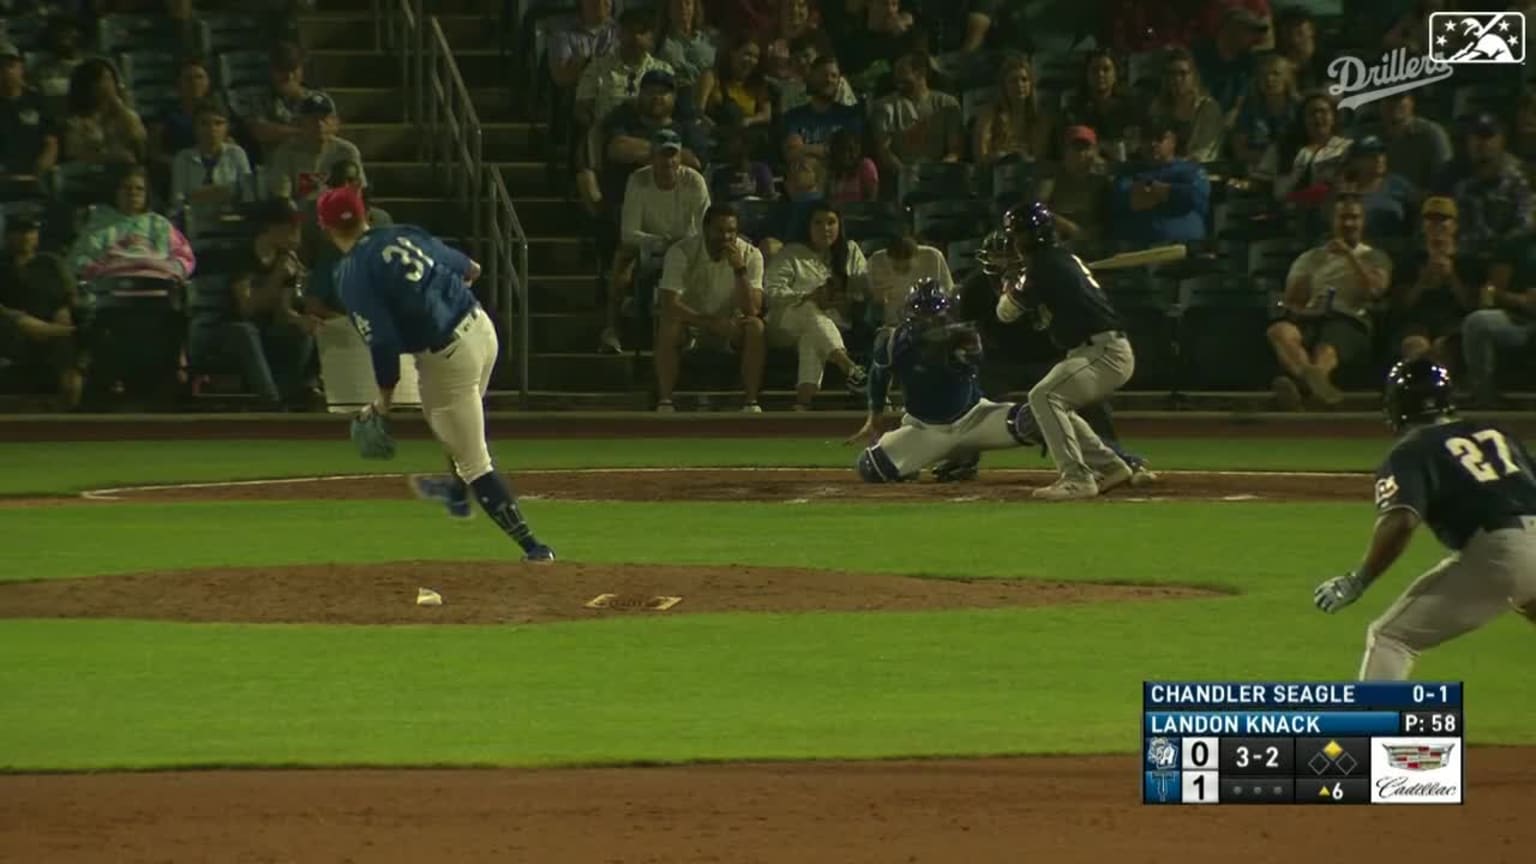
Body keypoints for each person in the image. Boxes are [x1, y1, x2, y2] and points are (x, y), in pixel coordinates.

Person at [318, 184, 555, 562]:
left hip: (447, 358)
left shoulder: (351, 273)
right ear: (366, 214)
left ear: (326, 229)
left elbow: (383, 342)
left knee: (474, 458)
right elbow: (470, 270)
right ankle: (456, 493)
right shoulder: (402, 233)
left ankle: (535, 549)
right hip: (482, 330)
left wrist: (383, 402)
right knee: (454, 425)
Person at [1313, 359, 1536, 680]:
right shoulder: (1497, 432)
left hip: (1502, 550)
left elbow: (1401, 520)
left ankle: (1375, 729)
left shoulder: (1412, 449)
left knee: (1391, 638)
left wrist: (1358, 580)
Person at [994, 202, 1135, 500]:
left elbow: (1006, 313)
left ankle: (1077, 478)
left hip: (1103, 351)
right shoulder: (1059, 260)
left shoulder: (1044, 265)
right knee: (1051, 402)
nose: (1013, 242)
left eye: (1016, 235)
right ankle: (1110, 466)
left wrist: (1010, 286)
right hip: (1097, 349)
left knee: (1044, 396)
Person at [850, 277, 1044, 482]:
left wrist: (954, 347)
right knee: (872, 468)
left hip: (974, 418)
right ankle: (955, 456)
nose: (928, 322)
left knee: (1035, 419)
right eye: (922, 316)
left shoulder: (964, 339)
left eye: (933, 316)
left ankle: (1076, 468)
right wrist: (875, 416)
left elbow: (972, 362)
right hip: (925, 428)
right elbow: (879, 376)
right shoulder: (892, 341)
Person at [188, 197, 320, 410]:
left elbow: (283, 311)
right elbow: (246, 308)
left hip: (264, 331)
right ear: (271, 227)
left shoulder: (287, 259)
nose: (297, 233)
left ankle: (291, 396)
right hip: (224, 331)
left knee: (301, 335)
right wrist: (277, 276)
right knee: (244, 332)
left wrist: (301, 320)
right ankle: (271, 403)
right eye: (290, 227)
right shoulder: (241, 255)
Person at [1267, 194, 1392, 409]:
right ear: (1333, 221)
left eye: (1354, 218)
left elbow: (1374, 290)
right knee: (1280, 331)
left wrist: (1349, 256)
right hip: (1311, 316)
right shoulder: (1311, 258)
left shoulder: (1374, 256)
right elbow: (1293, 300)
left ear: (1363, 221)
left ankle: (1302, 386)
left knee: (1326, 348)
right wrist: (1303, 302)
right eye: (1343, 218)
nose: (1348, 224)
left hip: (1350, 319)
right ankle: (1314, 382)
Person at [600, 128, 711, 354]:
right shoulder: (638, 180)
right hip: (649, 246)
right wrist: (661, 243)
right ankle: (612, 329)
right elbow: (629, 233)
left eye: (673, 155)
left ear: (679, 157)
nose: (668, 161)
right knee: (623, 256)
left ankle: (695, 330)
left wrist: (679, 245)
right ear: (652, 156)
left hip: (686, 246)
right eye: (662, 155)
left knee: (707, 255)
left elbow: (704, 229)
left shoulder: (694, 181)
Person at [653, 203, 766, 412]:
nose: (726, 238)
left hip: (732, 325)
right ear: (705, 229)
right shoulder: (681, 251)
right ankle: (665, 401)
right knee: (668, 324)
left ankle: (751, 402)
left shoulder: (751, 254)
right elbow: (669, 303)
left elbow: (753, 309)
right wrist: (710, 322)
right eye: (719, 231)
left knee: (755, 327)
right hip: (691, 322)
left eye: (731, 231)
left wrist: (740, 270)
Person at [762, 201, 869, 409]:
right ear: (807, 226)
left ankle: (804, 403)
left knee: (811, 338)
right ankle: (851, 369)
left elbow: (862, 290)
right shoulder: (792, 252)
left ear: (839, 225)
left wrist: (846, 300)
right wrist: (809, 296)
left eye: (831, 222)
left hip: (828, 325)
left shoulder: (851, 251)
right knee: (810, 310)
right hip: (784, 323)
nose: (825, 229)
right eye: (818, 223)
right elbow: (772, 292)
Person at [0, 214, 80, 408]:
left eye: (31, 232)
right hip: (11, 329)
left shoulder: (51, 263)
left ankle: (69, 410)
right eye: (20, 232)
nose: (26, 237)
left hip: (54, 327)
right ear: (8, 235)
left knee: (70, 339)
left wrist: (63, 314)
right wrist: (23, 321)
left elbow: (68, 298)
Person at [1394, 197, 1479, 365]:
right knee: (1415, 345)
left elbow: (1472, 305)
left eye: (1443, 220)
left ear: (1454, 225)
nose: (1437, 225)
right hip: (1417, 321)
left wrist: (1452, 277)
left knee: (1444, 346)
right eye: (1431, 220)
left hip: (1454, 321)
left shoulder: (1468, 261)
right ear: (1423, 226)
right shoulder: (1410, 260)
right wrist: (1422, 282)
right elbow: (1400, 306)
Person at [1109, 119, 1210, 251]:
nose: (1152, 144)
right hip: (1136, 252)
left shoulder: (1191, 170)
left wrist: (1156, 188)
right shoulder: (1128, 172)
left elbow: (1194, 196)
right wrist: (1169, 194)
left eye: (1159, 139)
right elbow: (1122, 199)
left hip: (1185, 250)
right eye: (1147, 139)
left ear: (1173, 141)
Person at [870, 47, 964, 176]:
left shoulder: (947, 104)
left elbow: (955, 150)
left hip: (939, 175)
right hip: (901, 177)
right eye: (895, 72)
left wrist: (938, 172)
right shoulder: (884, 106)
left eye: (902, 71)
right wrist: (905, 174)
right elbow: (884, 150)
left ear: (921, 73)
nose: (896, 78)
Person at [267, 91, 365, 202]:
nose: (319, 124)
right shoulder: (286, 153)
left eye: (324, 118)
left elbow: (358, 191)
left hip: (339, 212)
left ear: (335, 122)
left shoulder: (347, 151)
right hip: (300, 214)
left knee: (381, 217)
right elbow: (282, 197)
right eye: (313, 119)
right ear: (300, 123)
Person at [1039, 126, 1112, 259]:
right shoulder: (1051, 177)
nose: (1081, 154)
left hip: (1091, 243)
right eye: (1076, 149)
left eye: (1086, 149)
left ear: (1094, 152)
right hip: (1057, 239)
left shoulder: (1100, 180)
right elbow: (1037, 208)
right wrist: (1068, 226)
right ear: (1065, 151)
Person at [1145, 47, 1225, 164]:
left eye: (1182, 74)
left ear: (1193, 76)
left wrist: (1174, 162)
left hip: (1196, 174)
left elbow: (1203, 153)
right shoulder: (1158, 107)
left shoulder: (1208, 109)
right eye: (1171, 74)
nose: (1177, 79)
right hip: (1161, 170)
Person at [60, 58, 146, 165]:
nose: (108, 85)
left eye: (109, 79)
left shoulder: (127, 116)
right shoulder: (75, 123)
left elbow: (140, 150)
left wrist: (122, 111)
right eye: (102, 80)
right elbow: (75, 155)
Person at [170, 100, 251, 210]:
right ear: (194, 127)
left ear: (227, 127)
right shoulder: (183, 158)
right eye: (204, 123)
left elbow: (248, 193)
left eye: (218, 123)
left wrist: (200, 195)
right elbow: (177, 200)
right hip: (194, 219)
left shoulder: (236, 154)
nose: (212, 129)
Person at [973, 53, 1051, 166]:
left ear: (1031, 84)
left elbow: (1039, 156)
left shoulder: (1041, 116)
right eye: (1013, 81)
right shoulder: (990, 113)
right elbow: (981, 154)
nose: (1020, 85)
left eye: (1024, 80)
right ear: (1004, 85)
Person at [0, 39, 59, 179]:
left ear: (21, 68)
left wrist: (42, 168)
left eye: (10, 65)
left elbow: (51, 141)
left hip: (37, 175)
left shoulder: (36, 100)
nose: (5, 71)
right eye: (0, 67)